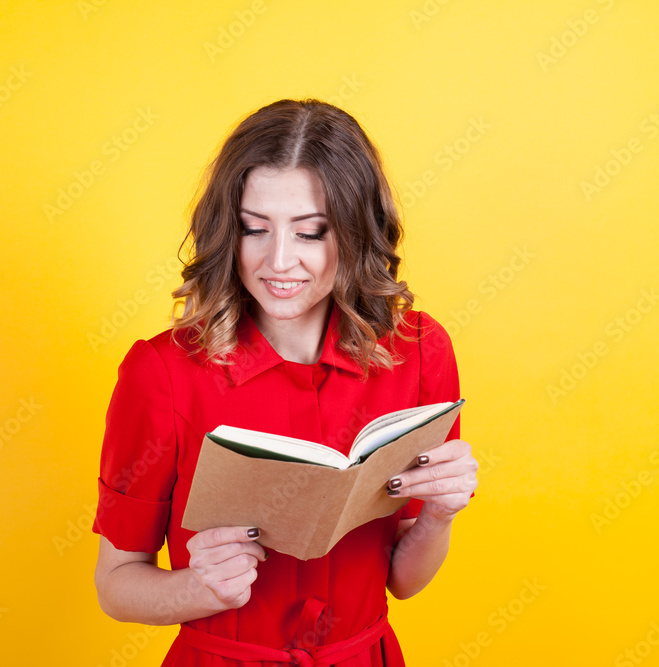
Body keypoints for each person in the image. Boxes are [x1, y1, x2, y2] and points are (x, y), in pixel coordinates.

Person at [92, 98, 478, 666]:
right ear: (229, 231)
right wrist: (198, 589)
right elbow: (116, 583)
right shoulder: (162, 373)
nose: (278, 261)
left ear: (354, 233)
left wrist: (440, 514)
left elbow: (404, 580)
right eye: (255, 229)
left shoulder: (419, 351)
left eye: (310, 233)